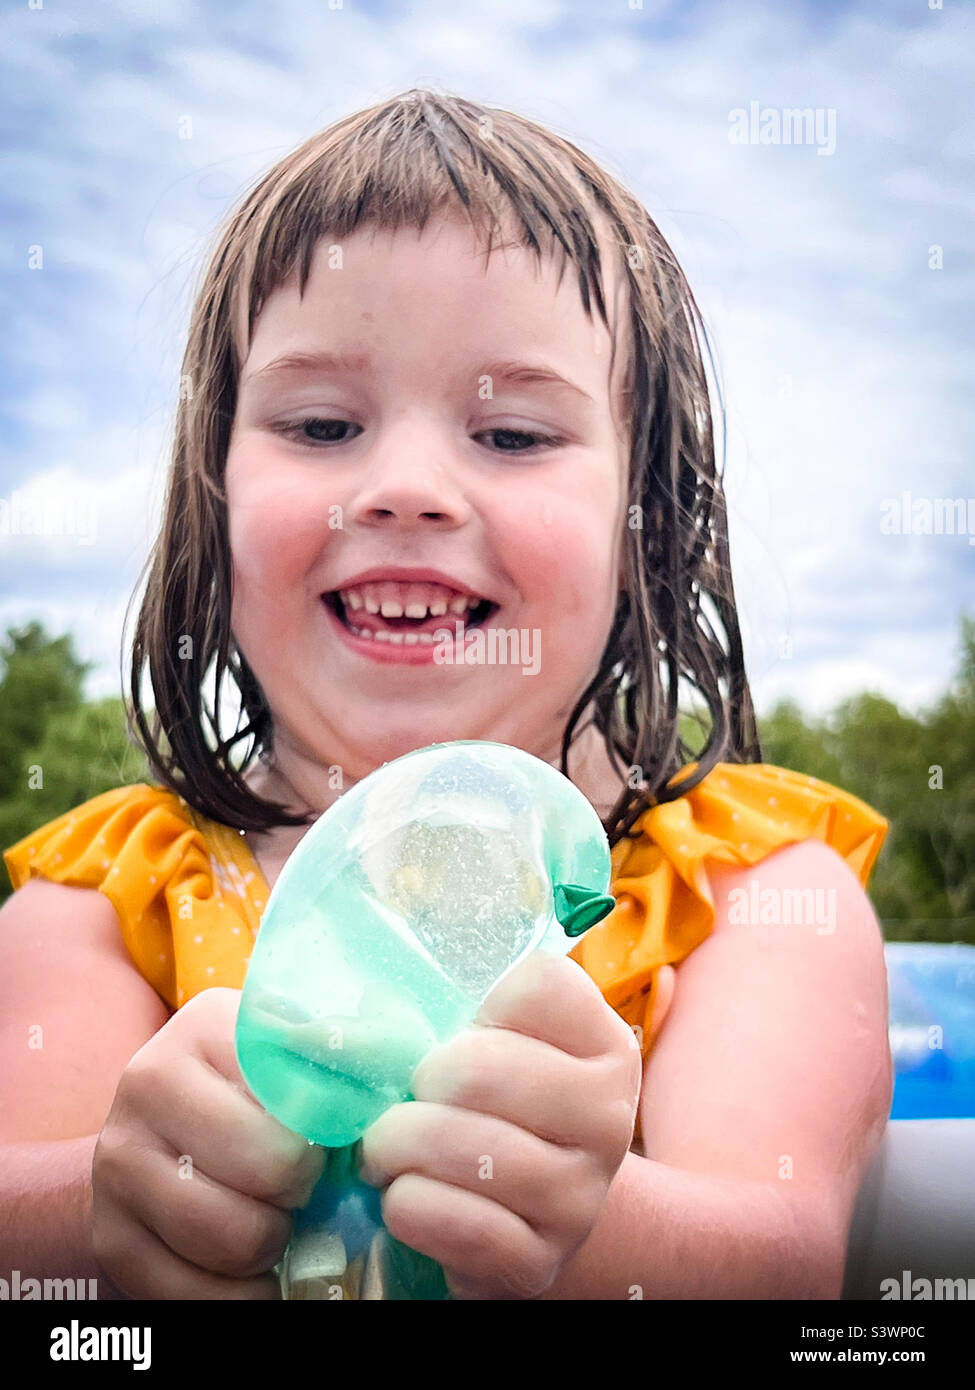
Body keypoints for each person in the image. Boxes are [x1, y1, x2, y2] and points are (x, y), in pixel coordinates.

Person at [0, 89, 892, 1300]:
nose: (407, 487)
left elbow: (782, 1266)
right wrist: (110, 1199)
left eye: (514, 434)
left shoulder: (752, 892)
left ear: (650, 520)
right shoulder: (105, 903)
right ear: (212, 492)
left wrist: (586, 1225)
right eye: (321, 423)